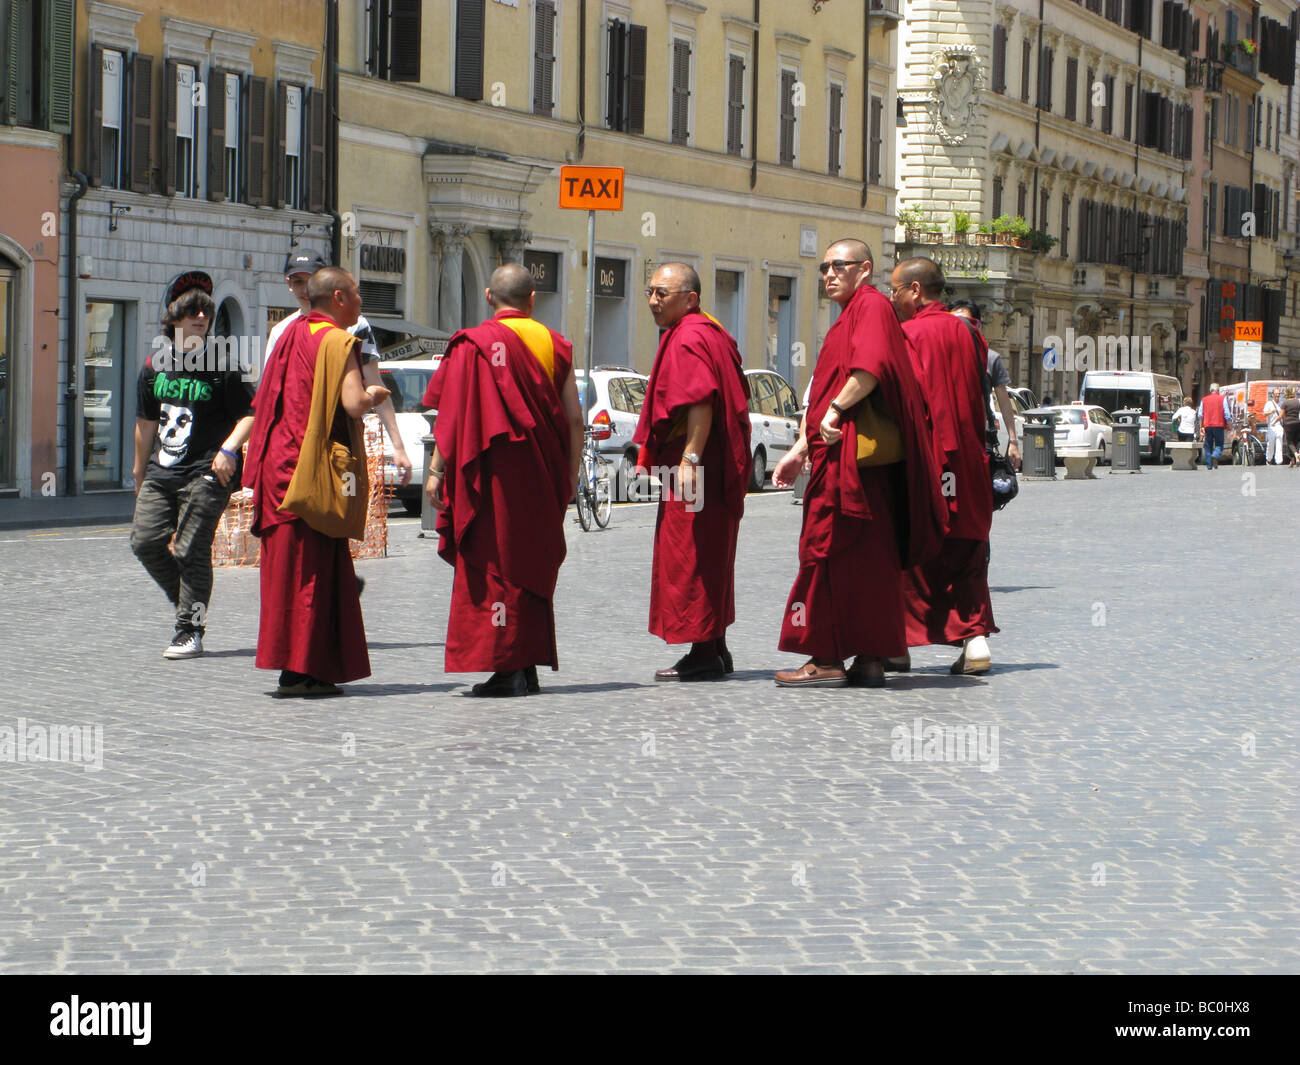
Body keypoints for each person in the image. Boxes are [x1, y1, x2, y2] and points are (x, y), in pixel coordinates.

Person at [769, 240, 946, 688]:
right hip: (855, 464)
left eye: (839, 266)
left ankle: (827, 657)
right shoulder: (854, 311)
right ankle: (869, 659)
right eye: (825, 267)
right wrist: (800, 450)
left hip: (856, 466)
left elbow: (868, 370)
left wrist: (832, 412)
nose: (829, 273)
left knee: (826, 555)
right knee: (871, 564)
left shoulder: (869, 307)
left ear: (865, 270)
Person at [422, 263, 583, 697]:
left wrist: (436, 471)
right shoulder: (556, 345)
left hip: (492, 480)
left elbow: (451, 420)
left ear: (489, 298)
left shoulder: (474, 344)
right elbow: (574, 420)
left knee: (497, 566)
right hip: (542, 477)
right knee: (529, 563)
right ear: (533, 300)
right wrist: (569, 477)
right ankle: (526, 664)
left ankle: (508, 668)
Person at [244, 267, 389, 697]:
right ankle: (304, 671)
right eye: (358, 294)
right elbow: (352, 401)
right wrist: (376, 395)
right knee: (314, 571)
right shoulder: (339, 341)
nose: (362, 302)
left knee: (283, 571)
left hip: (278, 467)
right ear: (340, 298)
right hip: (314, 472)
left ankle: (292, 667)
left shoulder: (287, 334)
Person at [633, 263, 753, 682]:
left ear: (691, 298)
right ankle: (716, 647)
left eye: (662, 293)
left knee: (692, 553)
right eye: (650, 291)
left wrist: (689, 459)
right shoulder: (709, 331)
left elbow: (701, 399)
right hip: (713, 463)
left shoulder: (689, 336)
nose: (652, 301)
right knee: (709, 551)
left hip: (697, 466)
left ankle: (703, 652)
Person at [130, 271, 255, 659]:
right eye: (190, 311)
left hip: (207, 471)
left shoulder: (225, 363)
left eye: (205, 310)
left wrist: (229, 450)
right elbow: (145, 423)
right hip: (161, 471)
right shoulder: (155, 364)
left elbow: (252, 414)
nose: (199, 316)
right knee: (145, 542)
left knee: (190, 550)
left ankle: (190, 630)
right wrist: (138, 474)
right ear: (173, 317)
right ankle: (188, 606)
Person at [891, 257, 999, 675]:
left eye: (896, 289)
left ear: (916, 291)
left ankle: (898, 647)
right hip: (968, 462)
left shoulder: (906, 334)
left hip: (926, 460)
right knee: (967, 552)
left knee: (913, 555)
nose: (892, 297)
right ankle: (974, 644)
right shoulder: (970, 334)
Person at [266, 252, 412, 489]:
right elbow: (271, 394)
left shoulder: (355, 326)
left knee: (344, 511)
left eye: (310, 280)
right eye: (297, 282)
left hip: (344, 441)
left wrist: (398, 446)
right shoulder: (281, 331)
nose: (304, 289)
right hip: (295, 444)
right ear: (288, 285)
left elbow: (373, 382)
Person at [949, 299, 1021, 471]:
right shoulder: (942, 354)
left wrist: (1013, 441)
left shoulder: (991, 358)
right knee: (950, 490)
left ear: (977, 326)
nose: (961, 327)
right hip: (949, 438)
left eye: (967, 322)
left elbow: (1004, 402)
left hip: (981, 437)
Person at [1197, 384, 1228, 470]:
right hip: (1219, 424)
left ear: (1210, 390)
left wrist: (1201, 426)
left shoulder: (1204, 399)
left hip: (1208, 425)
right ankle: (1215, 455)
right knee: (1219, 444)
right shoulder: (1222, 399)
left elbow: (1200, 415)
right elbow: (1227, 413)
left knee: (1208, 445)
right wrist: (1229, 421)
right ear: (1218, 390)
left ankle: (1209, 465)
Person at [1262, 389, 1285, 465]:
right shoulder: (1269, 403)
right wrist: (1271, 412)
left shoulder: (1281, 403)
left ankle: (1279, 461)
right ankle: (1269, 459)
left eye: (1278, 393)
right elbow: (1264, 414)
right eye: (1276, 394)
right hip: (1271, 426)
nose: (1277, 395)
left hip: (1279, 426)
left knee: (1279, 443)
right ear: (1273, 394)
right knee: (1271, 443)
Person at [1282, 387, 1300, 467]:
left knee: (1289, 442)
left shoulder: (1285, 403)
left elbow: (1282, 415)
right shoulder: (1298, 401)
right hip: (1297, 423)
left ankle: (1296, 455)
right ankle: (1293, 460)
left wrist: (1276, 421)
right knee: (1296, 441)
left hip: (1288, 423)